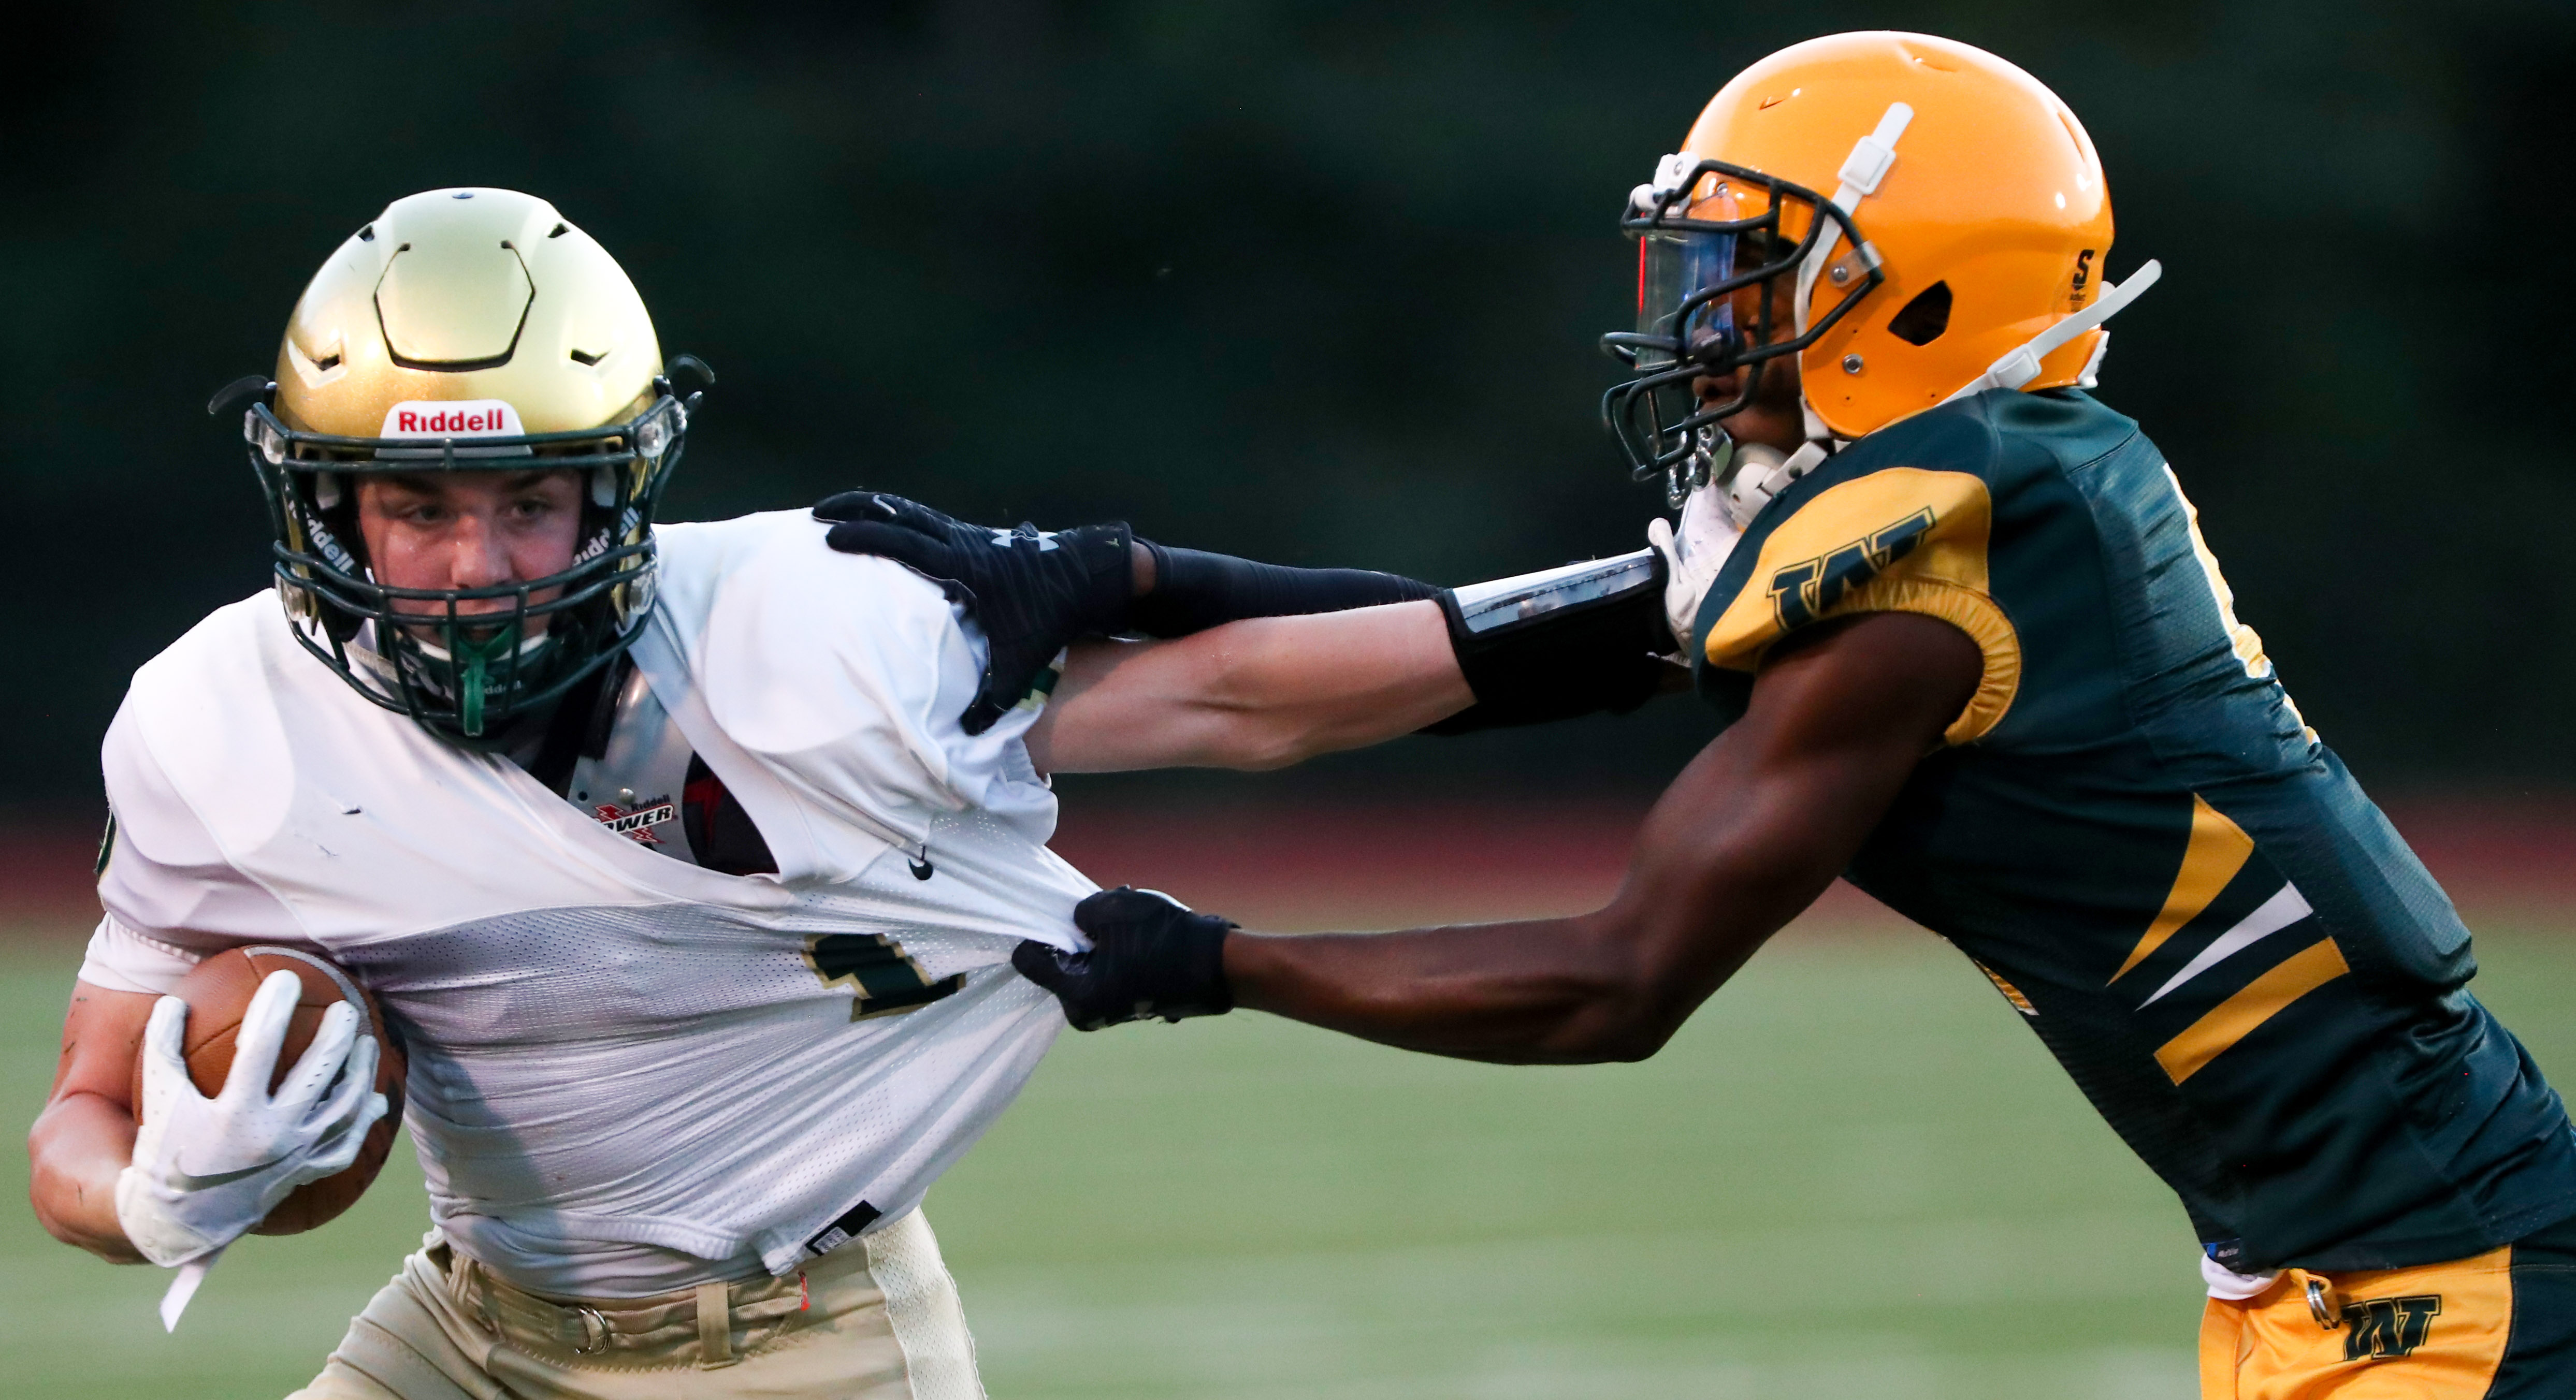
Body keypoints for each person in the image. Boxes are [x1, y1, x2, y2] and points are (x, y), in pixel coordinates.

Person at [963, 33, 2576, 1397]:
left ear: (1920, 300)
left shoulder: (1941, 568)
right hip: (2342, 1265)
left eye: (1748, 269)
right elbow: (1487, 649)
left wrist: (1211, 962)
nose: (1702, 314)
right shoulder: (1980, 494)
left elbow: (1617, 982)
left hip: (2440, 1279)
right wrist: (1128, 570)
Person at [24, 186, 1677, 1398]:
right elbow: (74, 1133)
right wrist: (157, 1198)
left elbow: (1249, 695)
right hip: (471, 1335)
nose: (481, 567)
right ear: (327, 511)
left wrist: (1672, 615)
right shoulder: (218, 723)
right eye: (419, 507)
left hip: (805, 1347)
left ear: (626, 488)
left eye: (535, 502)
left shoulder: (806, 636)